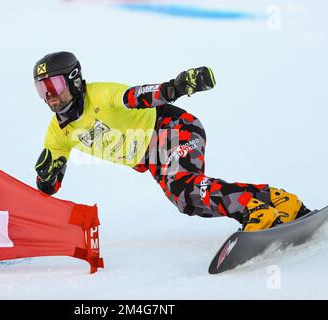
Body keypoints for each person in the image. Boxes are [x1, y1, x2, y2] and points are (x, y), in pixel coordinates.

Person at [32, 51, 310, 232]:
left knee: (184, 186)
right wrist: (46, 178)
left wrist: (176, 87)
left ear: (75, 81)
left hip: (173, 128)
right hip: (153, 158)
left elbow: (138, 95)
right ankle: (280, 201)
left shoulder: (101, 94)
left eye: (54, 86)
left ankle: (253, 210)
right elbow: (50, 187)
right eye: (42, 90)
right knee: (187, 201)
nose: (50, 96)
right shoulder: (58, 134)